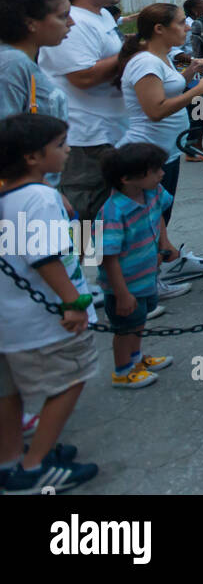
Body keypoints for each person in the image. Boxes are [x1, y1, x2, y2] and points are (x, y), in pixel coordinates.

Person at [0, 114, 100, 494]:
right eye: (60, 145)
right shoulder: (39, 197)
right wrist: (74, 303)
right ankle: (34, 466)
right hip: (46, 319)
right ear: (31, 157)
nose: (68, 150)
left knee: (8, 392)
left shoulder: (8, 197)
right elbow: (46, 258)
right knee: (71, 379)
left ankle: (9, 459)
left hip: (12, 319)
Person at [114, 4, 203, 296]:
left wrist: (189, 73)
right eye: (180, 23)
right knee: (149, 219)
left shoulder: (160, 58)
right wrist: (197, 91)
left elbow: (167, 90)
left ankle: (160, 266)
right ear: (159, 29)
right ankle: (143, 283)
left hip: (164, 151)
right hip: (147, 150)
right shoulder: (145, 63)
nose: (187, 28)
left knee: (160, 214)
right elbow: (154, 109)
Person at [36, 0, 128, 227]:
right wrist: (130, 52)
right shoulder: (72, 23)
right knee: (87, 214)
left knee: (110, 215)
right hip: (84, 137)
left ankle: (110, 267)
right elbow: (83, 76)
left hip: (109, 130)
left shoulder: (102, 16)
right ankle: (78, 266)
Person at [97, 143, 176, 390]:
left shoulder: (152, 192)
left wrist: (165, 243)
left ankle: (136, 359)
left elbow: (159, 213)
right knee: (124, 329)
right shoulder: (111, 212)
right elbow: (106, 257)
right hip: (124, 285)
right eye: (155, 171)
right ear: (127, 179)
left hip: (146, 277)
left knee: (138, 322)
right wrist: (121, 294)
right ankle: (122, 372)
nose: (162, 174)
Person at [0, 0, 71, 130]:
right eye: (63, 16)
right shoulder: (12, 63)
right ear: (30, 24)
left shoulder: (23, 60)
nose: (72, 22)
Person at [180, 0, 203, 160]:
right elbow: (177, 52)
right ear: (195, 10)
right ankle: (192, 148)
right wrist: (195, 62)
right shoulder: (186, 27)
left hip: (202, 73)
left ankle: (197, 145)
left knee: (202, 111)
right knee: (198, 111)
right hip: (193, 76)